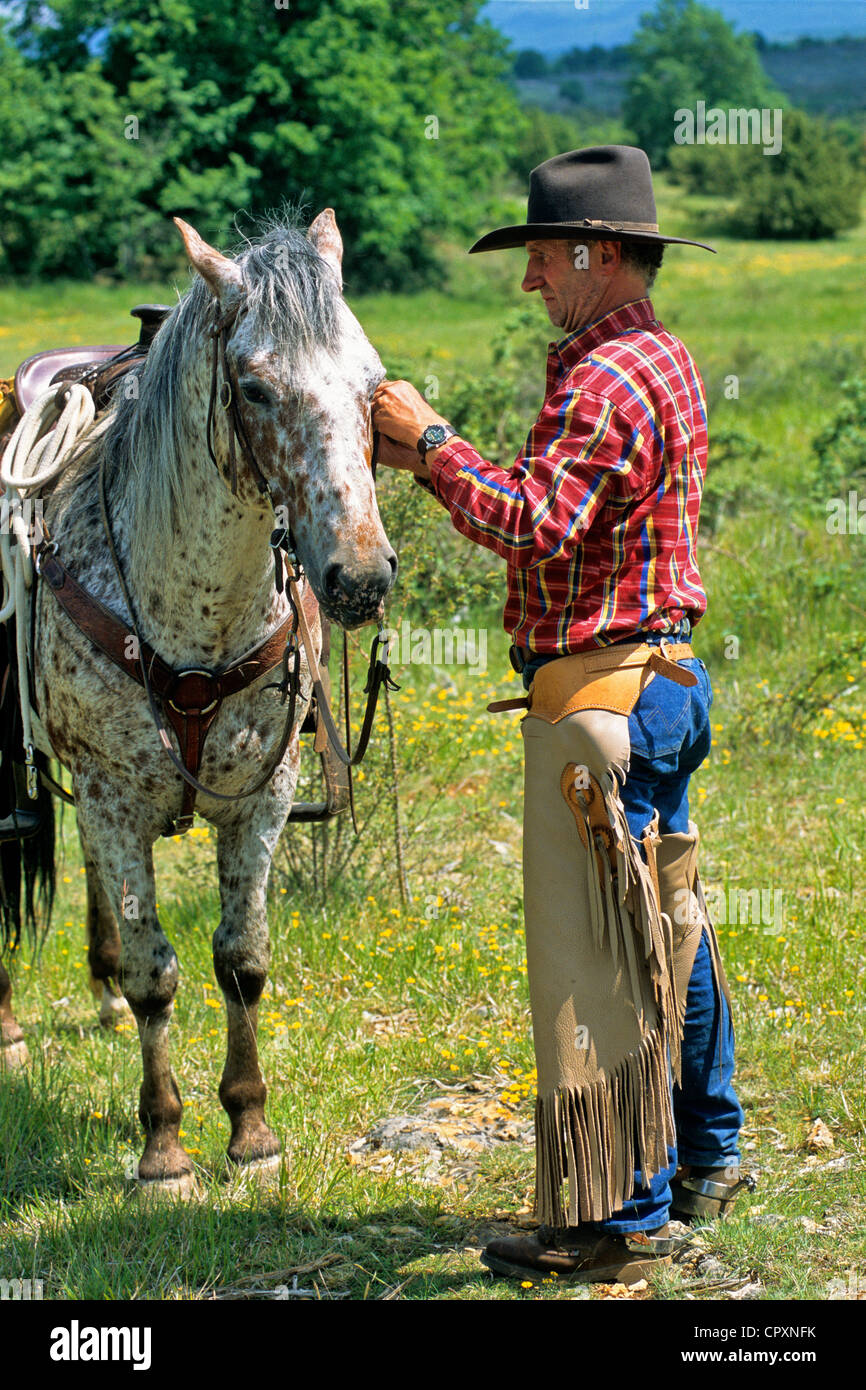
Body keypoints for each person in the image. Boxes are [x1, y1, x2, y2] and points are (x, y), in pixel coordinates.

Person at [371, 146, 748, 1284]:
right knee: (666, 929)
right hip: (663, 683)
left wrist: (428, 443)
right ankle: (706, 1153)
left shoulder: (600, 378)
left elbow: (531, 522)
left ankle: (616, 1222)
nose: (531, 278)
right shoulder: (660, 358)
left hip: (601, 701)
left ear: (591, 253)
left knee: (597, 964)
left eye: (540, 255)